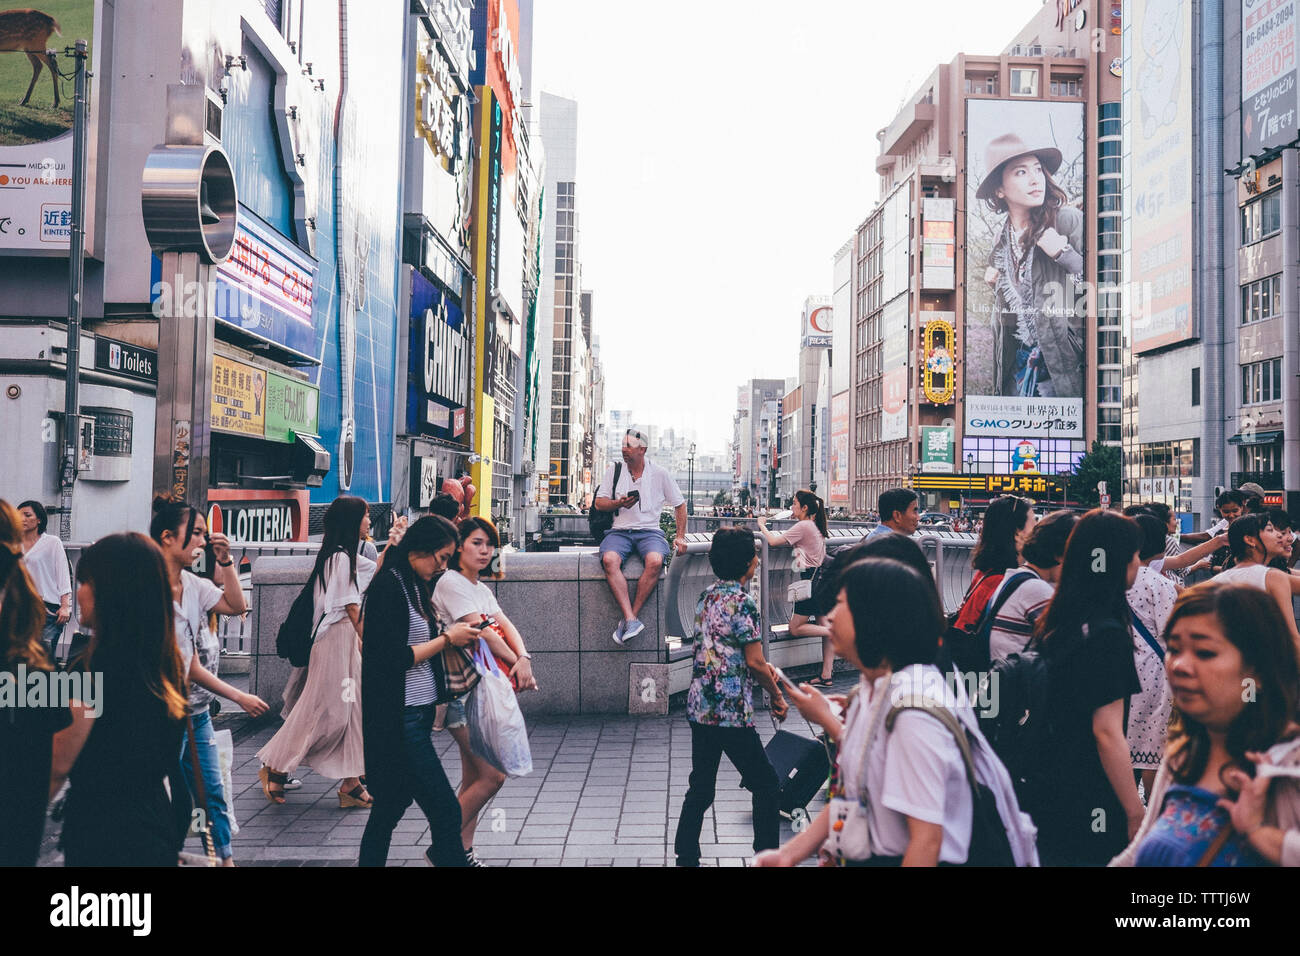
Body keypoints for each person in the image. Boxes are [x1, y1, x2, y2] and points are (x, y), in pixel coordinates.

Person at [755, 557, 1037, 867]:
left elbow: (926, 841)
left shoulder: (913, 713)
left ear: (875, 619)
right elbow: (856, 787)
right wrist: (787, 855)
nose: (830, 618)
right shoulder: (873, 690)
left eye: (842, 605)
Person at [1112, 582, 1300, 866]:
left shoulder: (1289, 764)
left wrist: (1259, 833)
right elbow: (1136, 854)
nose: (1179, 666)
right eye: (1174, 649)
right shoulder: (1184, 754)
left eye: (1204, 653)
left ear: (1258, 670)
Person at [51, 533, 188, 866]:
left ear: (110, 591)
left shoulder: (89, 670)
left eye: (84, 582)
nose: (78, 592)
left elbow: (56, 766)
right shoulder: (167, 667)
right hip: (155, 825)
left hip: (101, 834)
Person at [148, 496, 267, 865]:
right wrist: (239, 696)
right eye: (196, 533)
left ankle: (224, 860)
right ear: (168, 537)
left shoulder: (192, 584)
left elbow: (236, 605)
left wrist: (227, 561)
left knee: (211, 793)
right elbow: (183, 666)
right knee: (162, 796)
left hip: (195, 713)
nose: (202, 541)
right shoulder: (145, 587)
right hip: (158, 714)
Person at [358, 516, 481, 867]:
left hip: (415, 716)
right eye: (440, 558)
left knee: (390, 806)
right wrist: (446, 639)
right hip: (401, 721)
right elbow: (391, 657)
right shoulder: (389, 586)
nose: (442, 566)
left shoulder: (412, 583)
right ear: (419, 549)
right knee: (444, 810)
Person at [1031, 509, 1144, 866]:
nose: (1140, 562)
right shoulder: (1107, 634)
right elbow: (1107, 732)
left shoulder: (1059, 621)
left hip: (1047, 780)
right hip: (1089, 788)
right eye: (1135, 554)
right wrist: (1134, 810)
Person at [674, 527, 787, 867]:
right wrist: (777, 696)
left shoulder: (705, 596)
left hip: (700, 706)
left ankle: (686, 853)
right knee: (766, 785)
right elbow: (754, 661)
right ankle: (766, 855)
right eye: (754, 554)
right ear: (748, 564)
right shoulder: (743, 603)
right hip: (731, 710)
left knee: (702, 785)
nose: (756, 559)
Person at [433, 516, 537, 867]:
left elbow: (506, 626)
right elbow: (485, 634)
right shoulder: (451, 583)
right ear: (458, 545)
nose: (485, 550)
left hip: (478, 692)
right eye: (477, 542)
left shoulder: (480, 589)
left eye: (489, 544)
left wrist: (522, 658)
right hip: (459, 693)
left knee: (474, 779)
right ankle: (442, 847)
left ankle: (460, 853)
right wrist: (518, 662)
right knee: (493, 776)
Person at [258, 496, 375, 808]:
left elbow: (377, 571)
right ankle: (277, 765)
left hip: (344, 642)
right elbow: (351, 606)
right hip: (335, 641)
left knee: (352, 712)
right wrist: (372, 642)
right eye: (364, 517)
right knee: (324, 710)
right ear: (352, 522)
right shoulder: (340, 559)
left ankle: (352, 783)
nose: (369, 522)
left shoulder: (342, 557)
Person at [977, 133, 1085, 399]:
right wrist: (997, 288)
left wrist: (1064, 254)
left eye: (1038, 169)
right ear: (999, 190)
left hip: (1064, 363)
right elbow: (1015, 315)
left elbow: (1105, 284)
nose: (1035, 179)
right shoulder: (1000, 242)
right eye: (1021, 172)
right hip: (1022, 368)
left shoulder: (1067, 220)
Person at [0, 501, 70, 866]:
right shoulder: (37, 667)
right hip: (18, 822)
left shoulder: (51, 544)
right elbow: (56, 756)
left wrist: (64, 602)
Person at [592, 428, 687, 644]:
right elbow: (599, 503)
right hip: (620, 531)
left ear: (642, 449)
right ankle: (631, 618)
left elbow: (680, 505)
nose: (624, 451)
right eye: (623, 446)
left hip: (650, 531)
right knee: (609, 560)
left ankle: (630, 618)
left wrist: (680, 536)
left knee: (655, 561)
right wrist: (618, 504)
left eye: (629, 446)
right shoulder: (614, 470)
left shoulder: (660, 474)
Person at [757, 489, 834, 685]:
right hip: (822, 580)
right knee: (823, 624)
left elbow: (773, 542)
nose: (792, 507)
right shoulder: (814, 525)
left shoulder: (804, 526)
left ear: (804, 507)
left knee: (795, 628)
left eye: (794, 503)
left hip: (810, 583)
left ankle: (836, 632)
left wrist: (761, 526)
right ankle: (826, 675)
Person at [1127, 514, 1179, 794]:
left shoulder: (1112, 576)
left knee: (1124, 746)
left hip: (1121, 668)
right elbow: (1171, 631)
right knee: (1152, 749)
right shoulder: (1159, 583)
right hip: (1153, 674)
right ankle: (1150, 815)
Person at [987, 509, 1077, 663]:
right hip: (1020, 683)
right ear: (1058, 554)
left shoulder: (1017, 577)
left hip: (1003, 677)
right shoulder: (1035, 589)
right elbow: (1072, 643)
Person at [950, 495, 1036, 643]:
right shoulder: (1007, 583)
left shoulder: (986, 574)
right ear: (1017, 533)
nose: (1038, 529)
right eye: (1035, 522)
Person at [1212, 515, 1300, 647]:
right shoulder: (1272, 577)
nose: (1279, 536)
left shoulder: (1219, 580)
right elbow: (1292, 638)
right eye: (1270, 530)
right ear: (1250, 540)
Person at [17, 500, 71, 661]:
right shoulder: (13, 544)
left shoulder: (52, 543)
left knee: (44, 658)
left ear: (39, 519)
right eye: (18, 515)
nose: (22, 519)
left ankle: (46, 686)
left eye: (27, 515)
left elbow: (62, 574)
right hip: (19, 607)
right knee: (18, 657)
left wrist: (65, 606)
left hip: (47, 609)